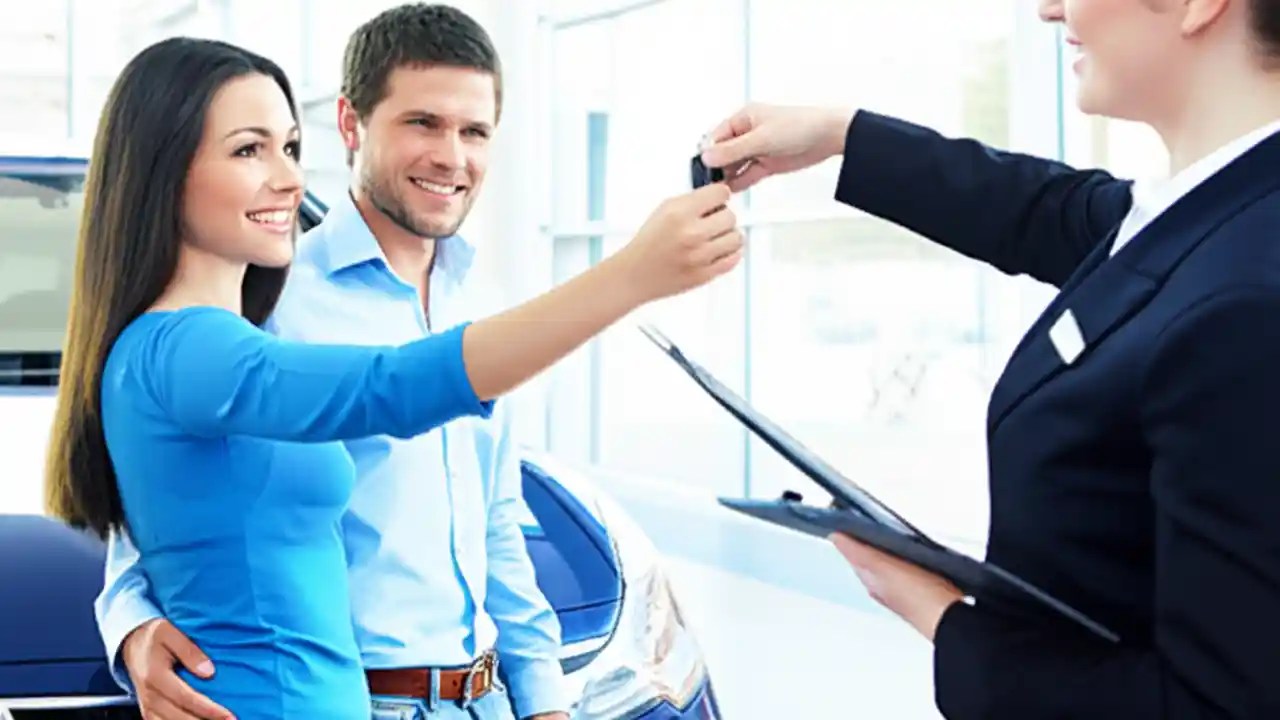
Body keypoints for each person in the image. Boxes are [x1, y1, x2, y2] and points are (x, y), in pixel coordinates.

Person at [47, 28, 740, 720]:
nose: (452, 155)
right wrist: (130, 621)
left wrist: (542, 700)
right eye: (423, 123)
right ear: (352, 122)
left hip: (481, 699)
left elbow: (495, 520)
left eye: (475, 130)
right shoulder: (264, 307)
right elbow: (169, 512)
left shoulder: (479, 301)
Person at [701, 0, 1280, 717]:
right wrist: (843, 137)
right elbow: (1054, 211)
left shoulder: (1247, 302)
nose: (1048, 9)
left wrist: (944, 621)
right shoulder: (1222, 205)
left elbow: (1217, 706)